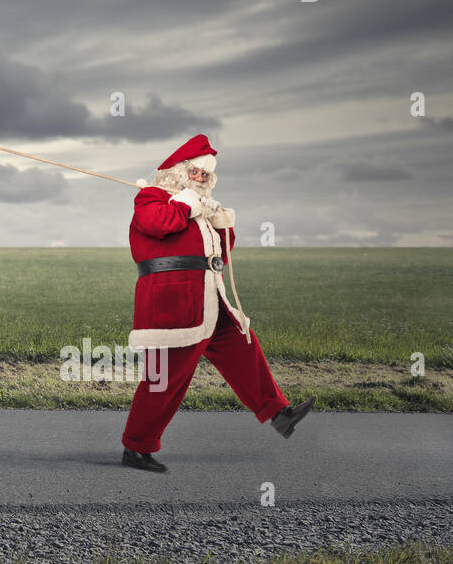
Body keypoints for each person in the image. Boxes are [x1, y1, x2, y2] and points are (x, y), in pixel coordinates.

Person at [120, 134, 315, 473]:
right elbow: (157, 224)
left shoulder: (194, 207)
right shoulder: (151, 197)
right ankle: (136, 447)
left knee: (244, 346)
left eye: (205, 175)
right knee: (166, 378)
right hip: (173, 302)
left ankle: (279, 414)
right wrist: (186, 205)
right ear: (179, 171)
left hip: (210, 295)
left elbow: (220, 256)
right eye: (195, 172)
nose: (200, 179)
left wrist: (222, 224)